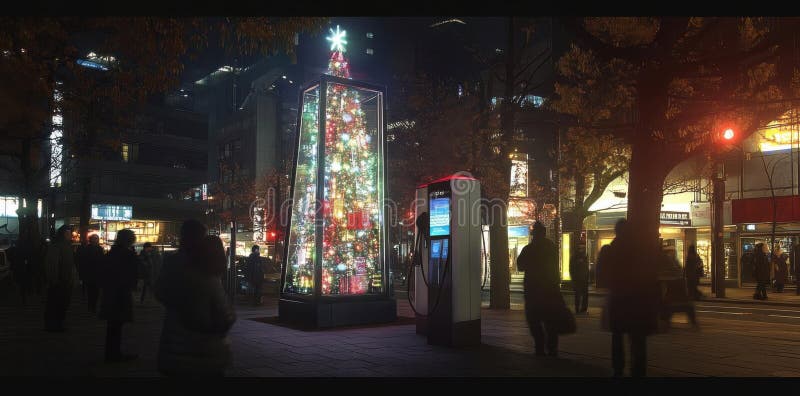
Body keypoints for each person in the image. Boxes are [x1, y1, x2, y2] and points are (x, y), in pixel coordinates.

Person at [156, 220, 236, 377]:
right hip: (203, 350)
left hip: (174, 344)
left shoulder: (173, 262)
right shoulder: (205, 273)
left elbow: (160, 292)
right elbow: (223, 315)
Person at [603, 219, 659, 377]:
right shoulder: (641, 250)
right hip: (638, 300)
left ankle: (618, 368)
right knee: (638, 338)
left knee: (618, 336)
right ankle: (639, 369)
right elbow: (649, 275)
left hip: (619, 299)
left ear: (616, 231)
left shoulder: (611, 249)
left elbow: (604, 276)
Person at [516, 221, 562, 357]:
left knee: (534, 321)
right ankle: (552, 349)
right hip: (550, 291)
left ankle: (540, 347)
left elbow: (520, 266)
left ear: (533, 234)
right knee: (550, 322)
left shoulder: (529, 249)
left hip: (533, 291)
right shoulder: (552, 247)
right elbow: (554, 268)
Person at [98, 229, 139, 363]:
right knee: (117, 324)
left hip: (110, 291)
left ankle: (111, 353)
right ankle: (114, 354)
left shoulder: (111, 253)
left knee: (113, 325)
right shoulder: (128, 254)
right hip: (121, 292)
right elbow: (141, 270)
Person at [44, 225, 75, 332]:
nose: (70, 235)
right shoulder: (57, 246)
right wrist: (54, 279)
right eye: (67, 233)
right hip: (59, 281)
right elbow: (53, 264)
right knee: (56, 304)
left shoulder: (67, 245)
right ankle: (54, 324)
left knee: (62, 304)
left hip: (65, 280)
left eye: (70, 233)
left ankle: (58, 323)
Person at [657, 246, 698, 329]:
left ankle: (664, 322)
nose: (673, 253)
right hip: (679, 298)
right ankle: (693, 323)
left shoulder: (669, 262)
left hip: (672, 300)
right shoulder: (673, 263)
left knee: (667, 306)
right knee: (687, 306)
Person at [76, 234, 104, 313]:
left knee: (93, 291)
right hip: (92, 273)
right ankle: (92, 306)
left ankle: (91, 306)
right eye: (95, 239)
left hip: (93, 273)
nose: (96, 240)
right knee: (92, 291)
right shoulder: (97, 249)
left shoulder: (90, 249)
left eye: (97, 239)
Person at [569, 244, 589, 313]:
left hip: (581, 278)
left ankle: (582, 309)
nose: (582, 249)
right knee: (579, 294)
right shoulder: (576, 257)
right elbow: (572, 268)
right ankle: (579, 309)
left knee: (582, 295)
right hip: (578, 279)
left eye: (583, 248)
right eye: (580, 248)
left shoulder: (582, 257)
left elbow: (586, 268)